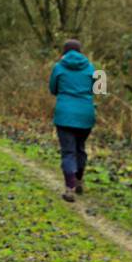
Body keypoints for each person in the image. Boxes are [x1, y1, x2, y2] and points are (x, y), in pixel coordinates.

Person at [49, 38, 96, 203]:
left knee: (68, 151)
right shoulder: (91, 67)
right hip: (86, 114)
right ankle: (79, 180)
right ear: (80, 51)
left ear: (64, 52)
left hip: (65, 115)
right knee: (80, 148)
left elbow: (53, 89)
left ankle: (70, 188)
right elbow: (99, 89)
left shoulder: (58, 67)